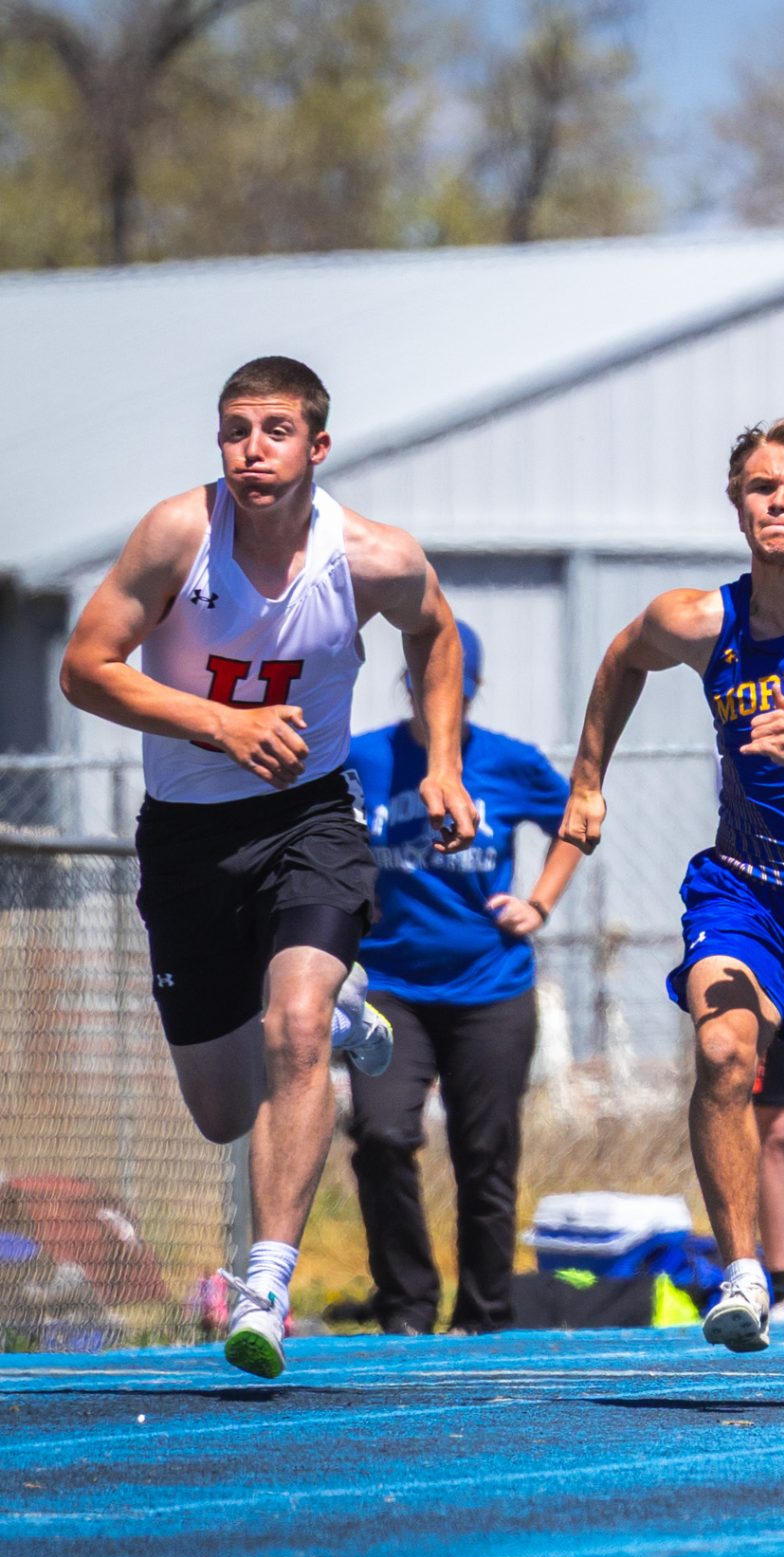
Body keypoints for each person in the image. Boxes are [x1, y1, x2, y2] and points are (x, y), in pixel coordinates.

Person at [58, 356, 475, 1378]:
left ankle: (266, 1285)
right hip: (191, 834)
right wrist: (219, 723)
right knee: (216, 1111)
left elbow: (438, 633)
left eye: (276, 430)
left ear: (316, 447)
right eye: (237, 429)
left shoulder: (370, 557)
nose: (254, 449)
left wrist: (445, 766)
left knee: (291, 1027)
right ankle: (333, 1014)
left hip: (311, 818)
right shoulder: (176, 536)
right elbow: (84, 669)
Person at [552, 414, 784, 1354]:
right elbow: (621, 659)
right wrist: (588, 778)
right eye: (760, 487)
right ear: (737, 505)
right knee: (725, 1054)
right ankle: (745, 1274)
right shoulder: (699, 618)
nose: (777, 501)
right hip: (744, 886)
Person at [344, 619, 583, 1334]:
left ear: (470, 691)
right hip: (388, 985)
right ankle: (407, 1307)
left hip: (490, 986)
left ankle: (483, 1315)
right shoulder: (363, 758)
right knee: (382, 1135)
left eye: (452, 687)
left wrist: (540, 899)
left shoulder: (508, 762)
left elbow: (578, 817)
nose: (436, 698)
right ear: (406, 685)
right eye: (422, 684)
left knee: (485, 1153)